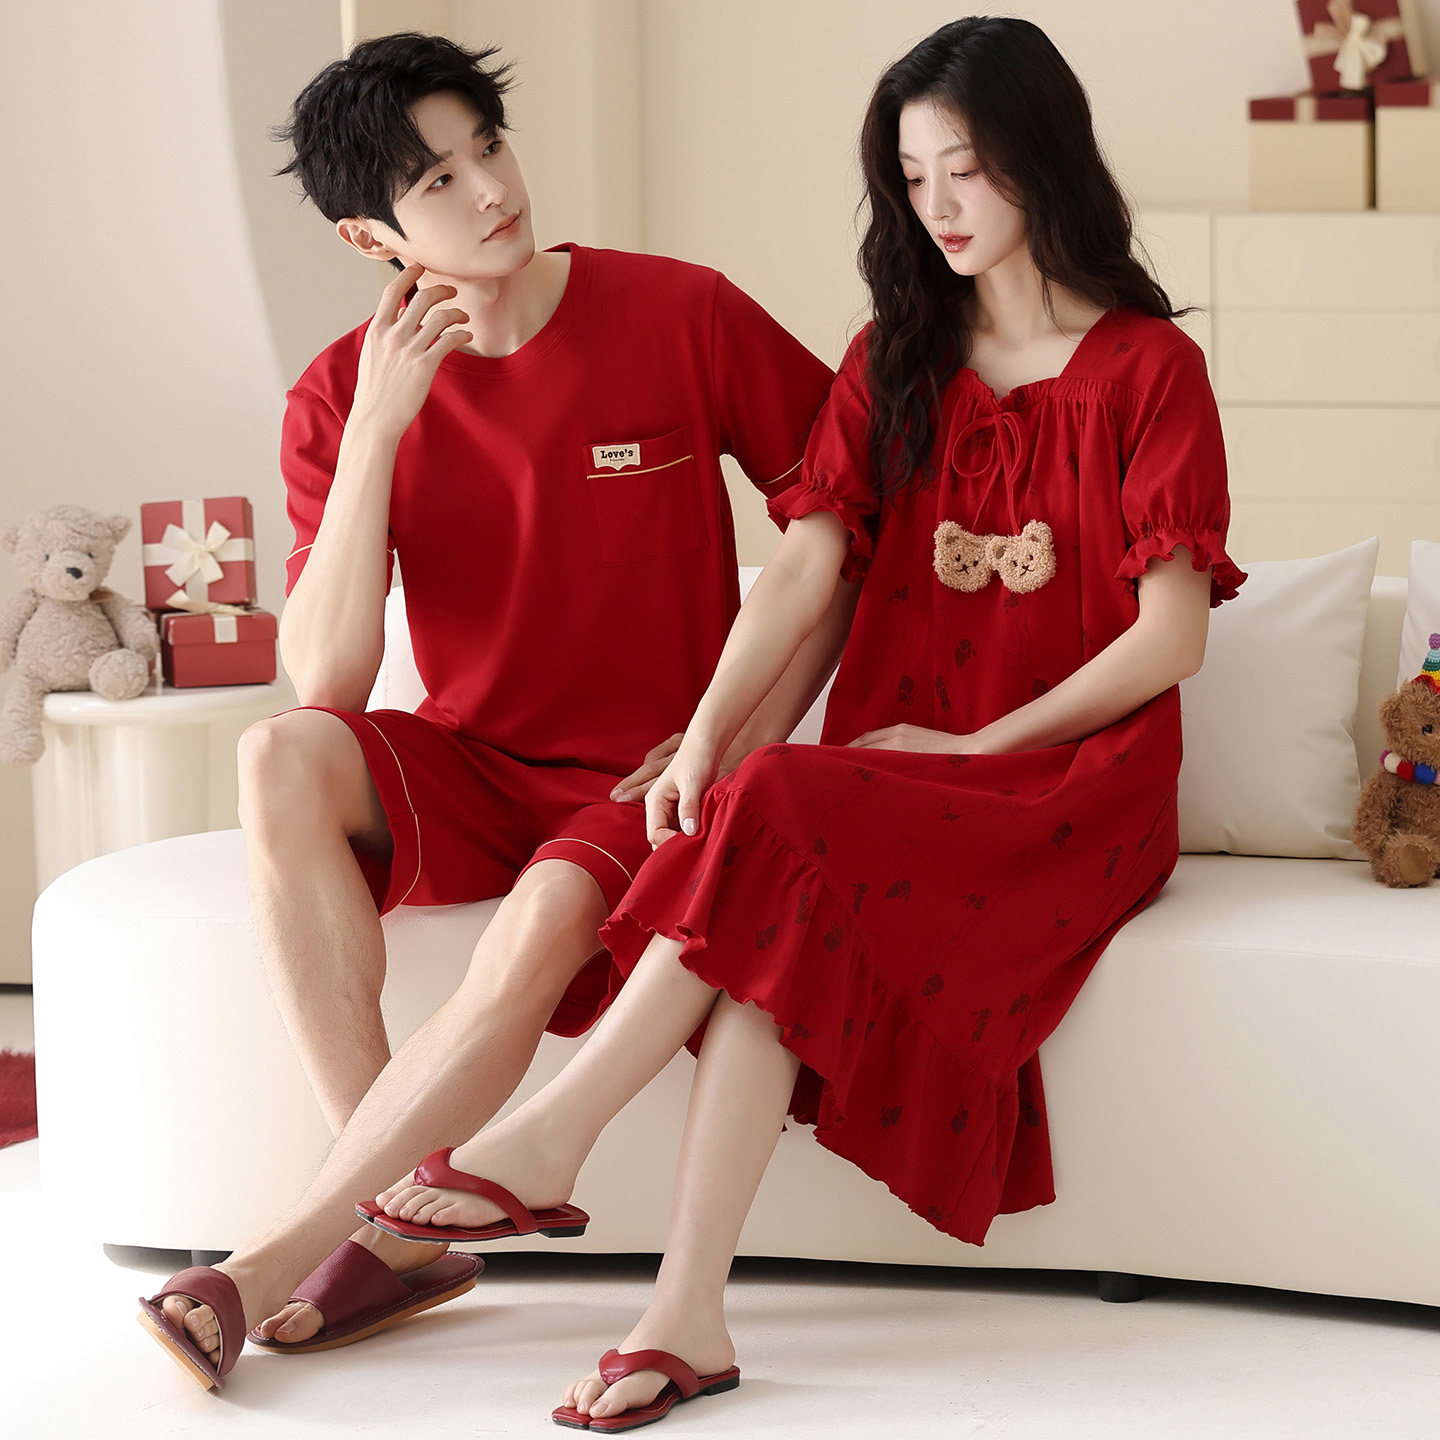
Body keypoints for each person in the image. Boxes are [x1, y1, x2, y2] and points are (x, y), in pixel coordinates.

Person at [342, 15, 1248, 1431]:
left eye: (966, 169)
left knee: (778, 808)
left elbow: (1170, 637)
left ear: (1043, 159)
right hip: (894, 775)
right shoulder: (897, 355)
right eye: (913, 177)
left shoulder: (1148, 371)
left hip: (1070, 789)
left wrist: (973, 750)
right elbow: (806, 564)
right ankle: (684, 1319)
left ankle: (554, 1133)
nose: (939, 206)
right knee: (772, 898)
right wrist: (706, 736)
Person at [137, 31, 837, 1391]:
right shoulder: (339, 395)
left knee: (544, 908)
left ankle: (271, 1263)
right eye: (438, 183)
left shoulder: (682, 311)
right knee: (278, 756)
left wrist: (742, 739)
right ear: (369, 238)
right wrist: (380, 429)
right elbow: (327, 686)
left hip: (645, 781)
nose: (493, 191)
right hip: (470, 762)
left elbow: (845, 531)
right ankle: (393, 1220)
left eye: (490, 148)